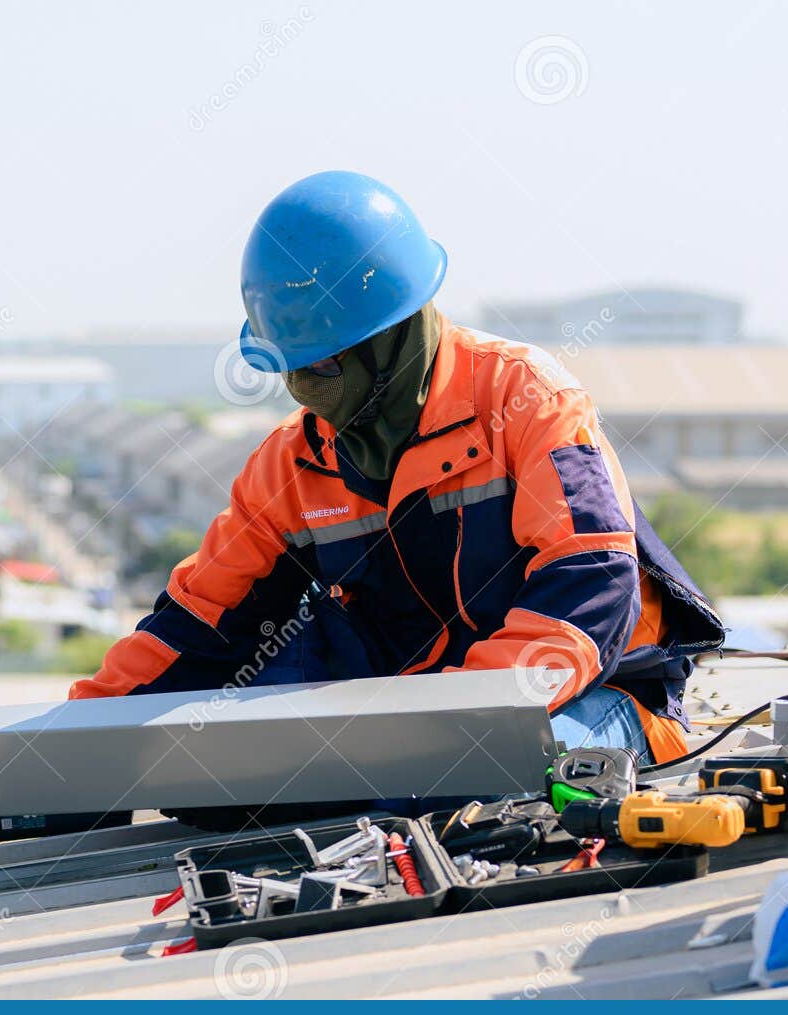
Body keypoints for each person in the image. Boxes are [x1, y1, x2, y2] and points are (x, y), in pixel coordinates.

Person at [71, 171, 724, 767]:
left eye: (322, 366)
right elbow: (195, 628)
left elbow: (589, 599)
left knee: (497, 775)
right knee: (222, 778)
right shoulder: (294, 465)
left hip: (590, 701)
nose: (303, 389)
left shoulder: (527, 402)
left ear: (390, 342)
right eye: (290, 368)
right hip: (412, 723)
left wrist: (447, 729)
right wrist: (66, 752)